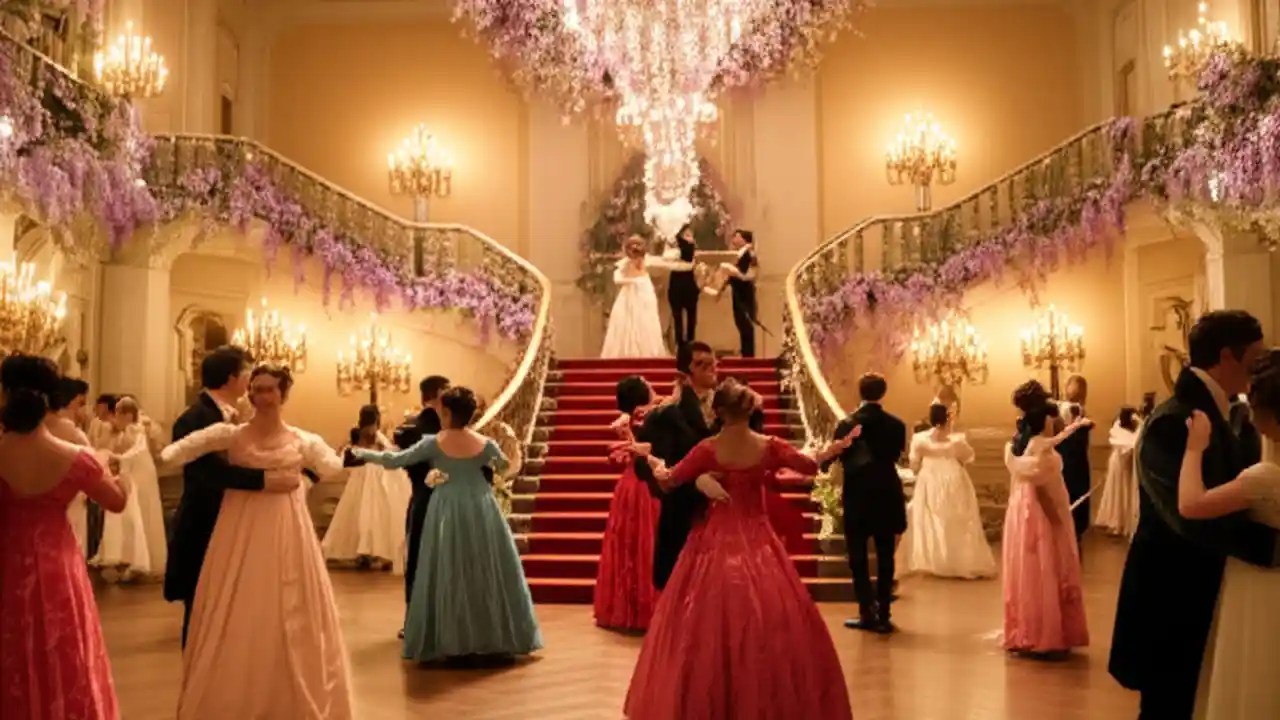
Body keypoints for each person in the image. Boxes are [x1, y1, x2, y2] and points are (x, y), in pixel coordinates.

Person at [624, 379, 854, 719]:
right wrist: (833, 449)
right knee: (771, 618)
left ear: (718, 412)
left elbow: (671, 480)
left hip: (714, 540)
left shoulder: (708, 449)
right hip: (759, 541)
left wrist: (654, 461)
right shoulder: (768, 445)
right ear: (751, 410)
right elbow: (808, 465)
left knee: (702, 624)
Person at [1110, 310, 1279, 719]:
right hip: (1173, 596)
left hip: (1210, 589)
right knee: (1169, 705)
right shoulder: (1173, 419)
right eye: (1254, 355)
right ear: (1227, 356)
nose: (1259, 365)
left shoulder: (1225, 411)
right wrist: (1272, 549)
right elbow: (1188, 518)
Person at [159, 364, 353, 719]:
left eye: (269, 390)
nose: (261, 396)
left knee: (289, 600)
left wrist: (304, 478)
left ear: (283, 394)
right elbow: (178, 452)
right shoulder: (231, 434)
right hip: (240, 526)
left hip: (286, 526)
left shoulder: (300, 438)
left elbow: (333, 466)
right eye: (256, 389)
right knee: (240, 597)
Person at [354, 386, 543, 665]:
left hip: (447, 508)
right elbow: (505, 467)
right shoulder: (485, 443)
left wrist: (362, 453)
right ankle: (491, 636)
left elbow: (395, 460)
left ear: (447, 412)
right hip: (482, 508)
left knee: (449, 569)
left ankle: (450, 638)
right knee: (485, 569)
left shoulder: (434, 442)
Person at [0, 354, 128, 719]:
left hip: (7, 563)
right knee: (62, 651)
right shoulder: (75, 457)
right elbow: (116, 502)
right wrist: (121, 478)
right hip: (58, 567)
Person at [1177, 350, 1280, 719]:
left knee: (1258, 669)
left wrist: (1194, 449)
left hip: (1261, 588)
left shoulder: (1265, 477)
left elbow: (1191, 504)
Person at [165, 346, 290, 646]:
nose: (250, 382)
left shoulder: (234, 417)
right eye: (246, 373)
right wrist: (264, 480)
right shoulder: (195, 418)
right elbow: (207, 473)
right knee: (200, 611)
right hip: (204, 524)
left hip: (233, 523)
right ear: (231, 378)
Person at [1002, 380, 1091, 657]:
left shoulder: (1025, 442)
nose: (1057, 423)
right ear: (1044, 420)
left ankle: (1028, 628)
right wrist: (1056, 520)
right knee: (1045, 565)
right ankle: (1045, 631)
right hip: (1040, 510)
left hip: (1022, 508)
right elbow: (1041, 487)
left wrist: (1076, 426)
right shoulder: (1039, 448)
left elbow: (1054, 440)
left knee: (1030, 566)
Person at [633, 340, 721, 589]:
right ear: (686, 371)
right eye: (700, 364)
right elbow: (643, 459)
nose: (710, 369)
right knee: (679, 587)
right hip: (682, 512)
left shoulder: (731, 408)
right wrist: (658, 475)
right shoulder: (666, 414)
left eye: (713, 363)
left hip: (724, 514)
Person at [824, 372, 907, 633]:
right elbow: (896, 455)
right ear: (882, 393)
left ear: (860, 393)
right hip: (887, 490)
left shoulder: (847, 424)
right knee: (885, 555)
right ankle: (884, 612)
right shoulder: (897, 425)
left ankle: (866, 611)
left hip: (858, 493)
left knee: (858, 556)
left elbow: (836, 458)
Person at [593, 376, 663, 631]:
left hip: (630, 484)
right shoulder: (648, 415)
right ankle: (650, 606)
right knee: (648, 541)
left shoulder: (629, 418)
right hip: (647, 482)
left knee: (629, 543)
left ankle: (627, 607)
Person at [897, 402, 995, 579]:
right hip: (954, 478)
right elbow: (969, 457)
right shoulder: (957, 440)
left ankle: (936, 560)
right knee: (957, 519)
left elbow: (914, 463)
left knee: (932, 519)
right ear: (947, 418)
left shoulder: (920, 439)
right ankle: (958, 560)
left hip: (930, 479)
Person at [323, 405, 411, 574]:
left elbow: (349, 450)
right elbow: (385, 451)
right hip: (374, 473)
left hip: (360, 475)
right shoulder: (374, 433)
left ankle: (362, 552)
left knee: (358, 510)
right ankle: (376, 552)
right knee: (376, 512)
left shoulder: (356, 432)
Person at [392, 375, 449, 635]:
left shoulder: (412, 428)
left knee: (419, 557)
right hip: (432, 498)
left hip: (423, 497)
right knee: (424, 556)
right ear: (435, 395)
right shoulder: (420, 429)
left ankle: (415, 619)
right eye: (446, 391)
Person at [93, 396, 166, 581]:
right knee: (131, 519)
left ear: (128, 414)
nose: (115, 416)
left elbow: (138, 450)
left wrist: (119, 459)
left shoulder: (137, 429)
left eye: (119, 412)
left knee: (142, 515)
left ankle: (143, 561)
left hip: (140, 476)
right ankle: (130, 558)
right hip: (130, 475)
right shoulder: (123, 431)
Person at [602, 234, 667, 358]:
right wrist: (632, 280)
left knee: (646, 322)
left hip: (644, 295)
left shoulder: (647, 261)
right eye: (632, 245)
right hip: (629, 296)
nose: (635, 248)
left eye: (638, 245)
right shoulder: (624, 263)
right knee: (626, 323)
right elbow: (617, 278)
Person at [49, 376, 92, 555]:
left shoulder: (40, 428)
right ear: (74, 401)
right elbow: (92, 466)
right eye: (82, 403)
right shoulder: (74, 434)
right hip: (71, 493)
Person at [1056, 375, 1092, 556]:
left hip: (1076, 462)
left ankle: (1075, 534)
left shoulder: (1079, 410)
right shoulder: (1060, 408)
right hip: (1065, 461)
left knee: (1077, 496)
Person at [1095, 406, 1140, 538]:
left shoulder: (1132, 430)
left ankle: (1123, 521)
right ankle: (1116, 521)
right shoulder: (1118, 429)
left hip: (1125, 465)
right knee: (1118, 491)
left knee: (1124, 491)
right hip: (1119, 464)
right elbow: (1130, 445)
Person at [720, 228, 759, 358]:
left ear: (744, 240)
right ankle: (745, 353)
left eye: (737, 236)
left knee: (746, 325)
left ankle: (749, 356)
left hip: (746, 295)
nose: (734, 239)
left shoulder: (750, 253)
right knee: (741, 324)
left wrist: (734, 272)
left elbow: (750, 275)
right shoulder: (738, 254)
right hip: (738, 294)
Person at [665, 223, 699, 349]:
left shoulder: (692, 251)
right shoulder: (674, 251)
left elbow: (690, 263)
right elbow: (668, 259)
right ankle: (680, 346)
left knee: (692, 318)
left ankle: (691, 344)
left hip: (690, 287)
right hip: (676, 287)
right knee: (677, 318)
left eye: (691, 235)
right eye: (686, 235)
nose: (688, 238)